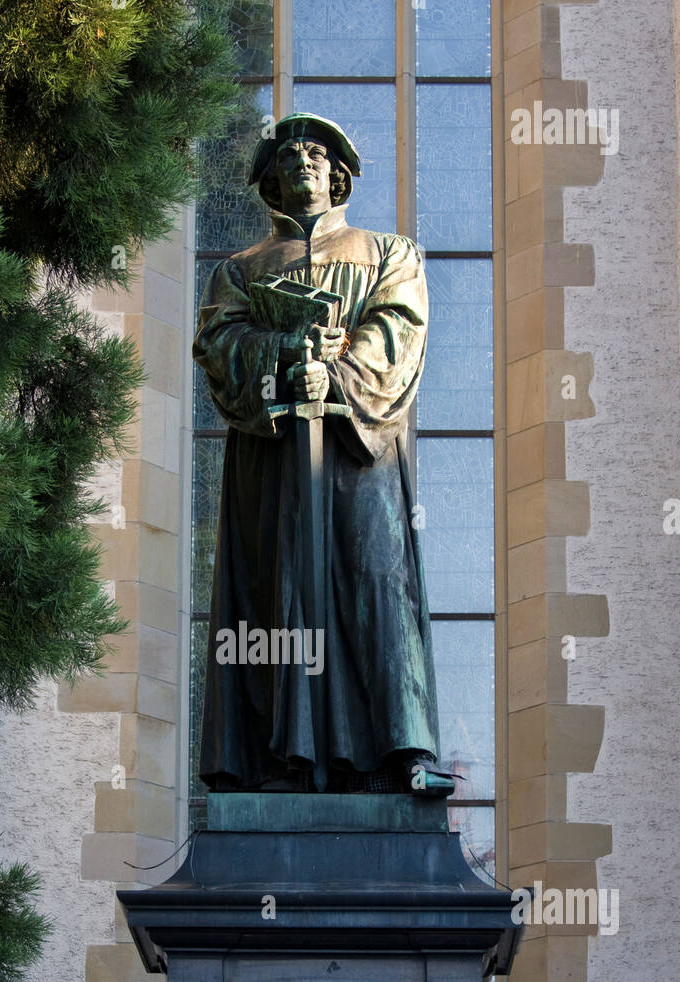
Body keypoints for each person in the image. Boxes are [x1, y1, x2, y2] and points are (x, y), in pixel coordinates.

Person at [193, 112, 454, 795]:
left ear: (338, 174)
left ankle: (403, 753)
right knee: (275, 595)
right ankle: (280, 761)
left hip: (358, 455)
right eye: (289, 154)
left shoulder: (390, 253)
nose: (303, 161)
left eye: (317, 153)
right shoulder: (241, 271)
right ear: (270, 180)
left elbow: (399, 329)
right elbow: (218, 348)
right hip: (272, 459)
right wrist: (282, 356)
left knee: (375, 580)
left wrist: (335, 378)